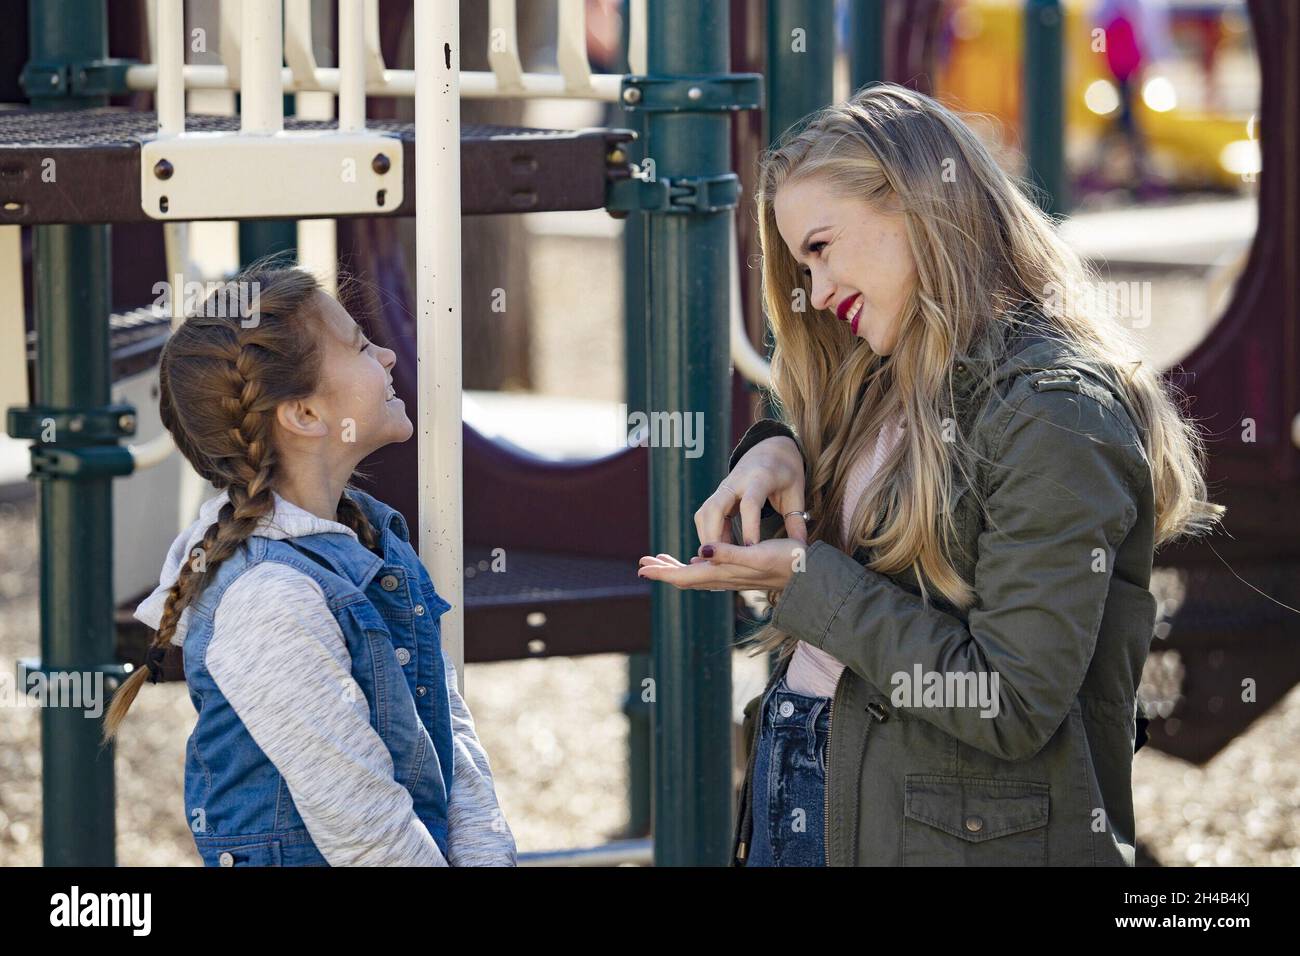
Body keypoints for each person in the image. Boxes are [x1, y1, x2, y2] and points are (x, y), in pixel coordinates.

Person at [638, 83, 1224, 866]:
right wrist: (776, 450)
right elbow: (888, 522)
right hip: (808, 793)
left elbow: (1009, 700)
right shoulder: (890, 373)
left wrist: (808, 578)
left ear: (920, 207)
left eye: (820, 247)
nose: (811, 292)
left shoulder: (1056, 414)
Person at [103, 263, 516, 867]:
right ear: (303, 415)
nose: (388, 357)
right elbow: (367, 830)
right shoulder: (270, 599)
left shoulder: (374, 540)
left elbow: (452, 746)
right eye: (360, 346)